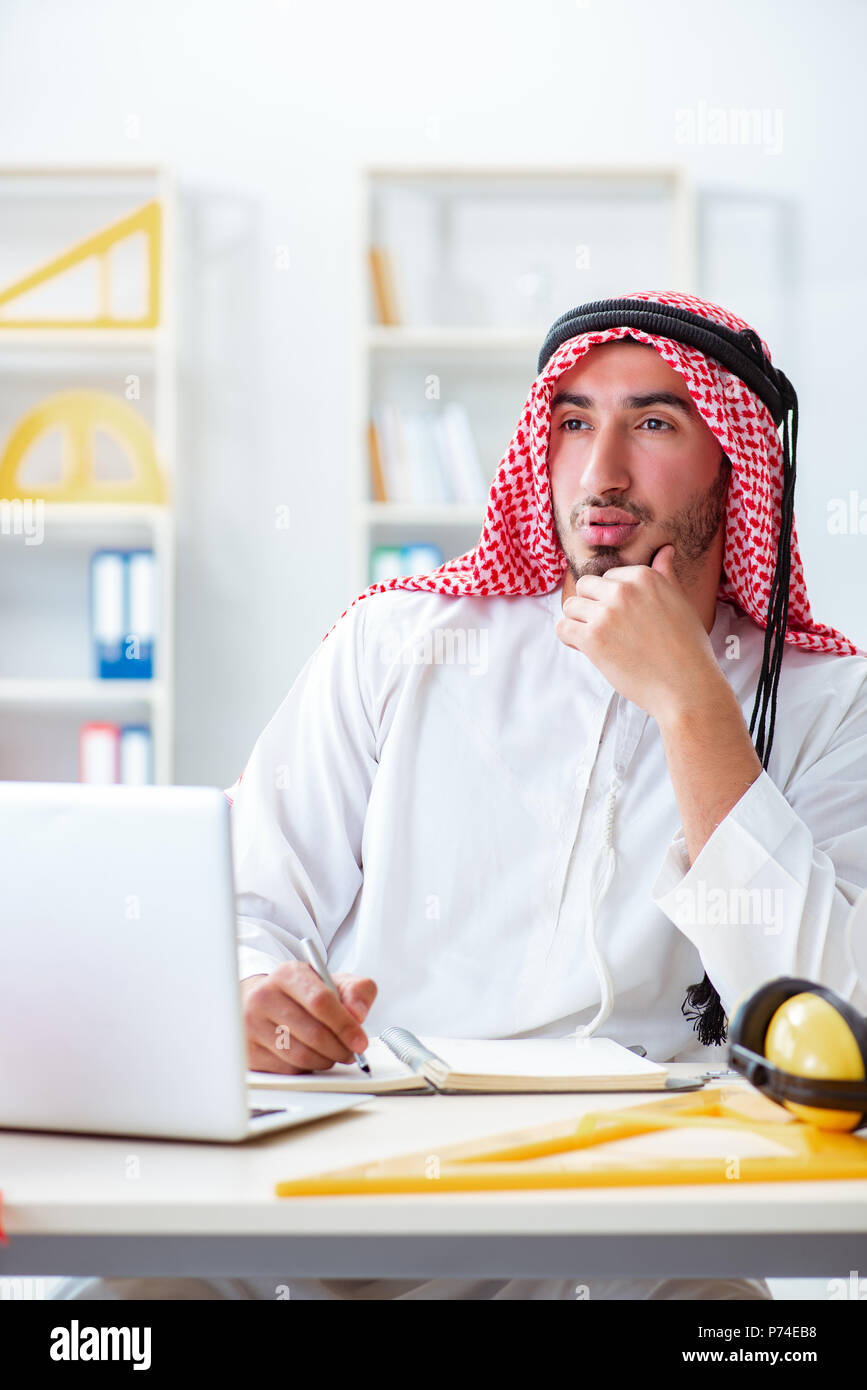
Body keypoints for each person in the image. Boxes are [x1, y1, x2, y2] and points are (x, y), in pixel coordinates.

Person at [54, 291, 867, 1302]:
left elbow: (840, 1029)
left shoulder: (827, 703)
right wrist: (258, 996)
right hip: (351, 1192)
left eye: (653, 422)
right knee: (115, 1307)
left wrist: (693, 706)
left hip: (631, 1221)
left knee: (731, 1325)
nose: (601, 471)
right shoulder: (399, 645)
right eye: (573, 422)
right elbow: (245, 904)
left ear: (735, 463)